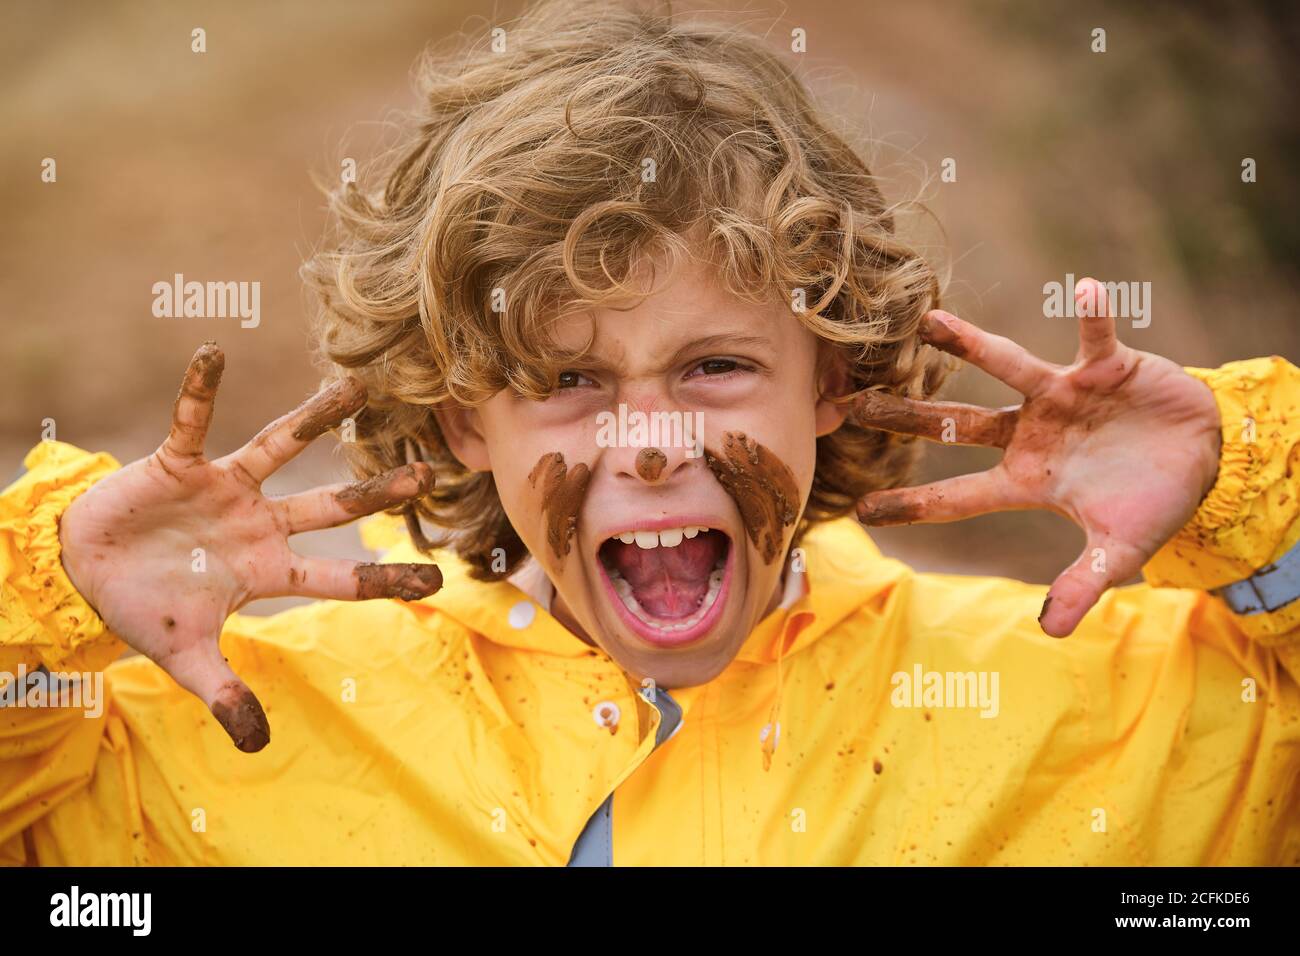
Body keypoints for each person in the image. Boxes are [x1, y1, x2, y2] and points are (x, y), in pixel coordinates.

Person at [2, 0, 1296, 865]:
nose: (652, 441)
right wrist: (45, 596)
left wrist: (1246, 494)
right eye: (566, 381)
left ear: (830, 381)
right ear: (464, 420)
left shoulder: (1083, 703)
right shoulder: (238, 736)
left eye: (718, 363)